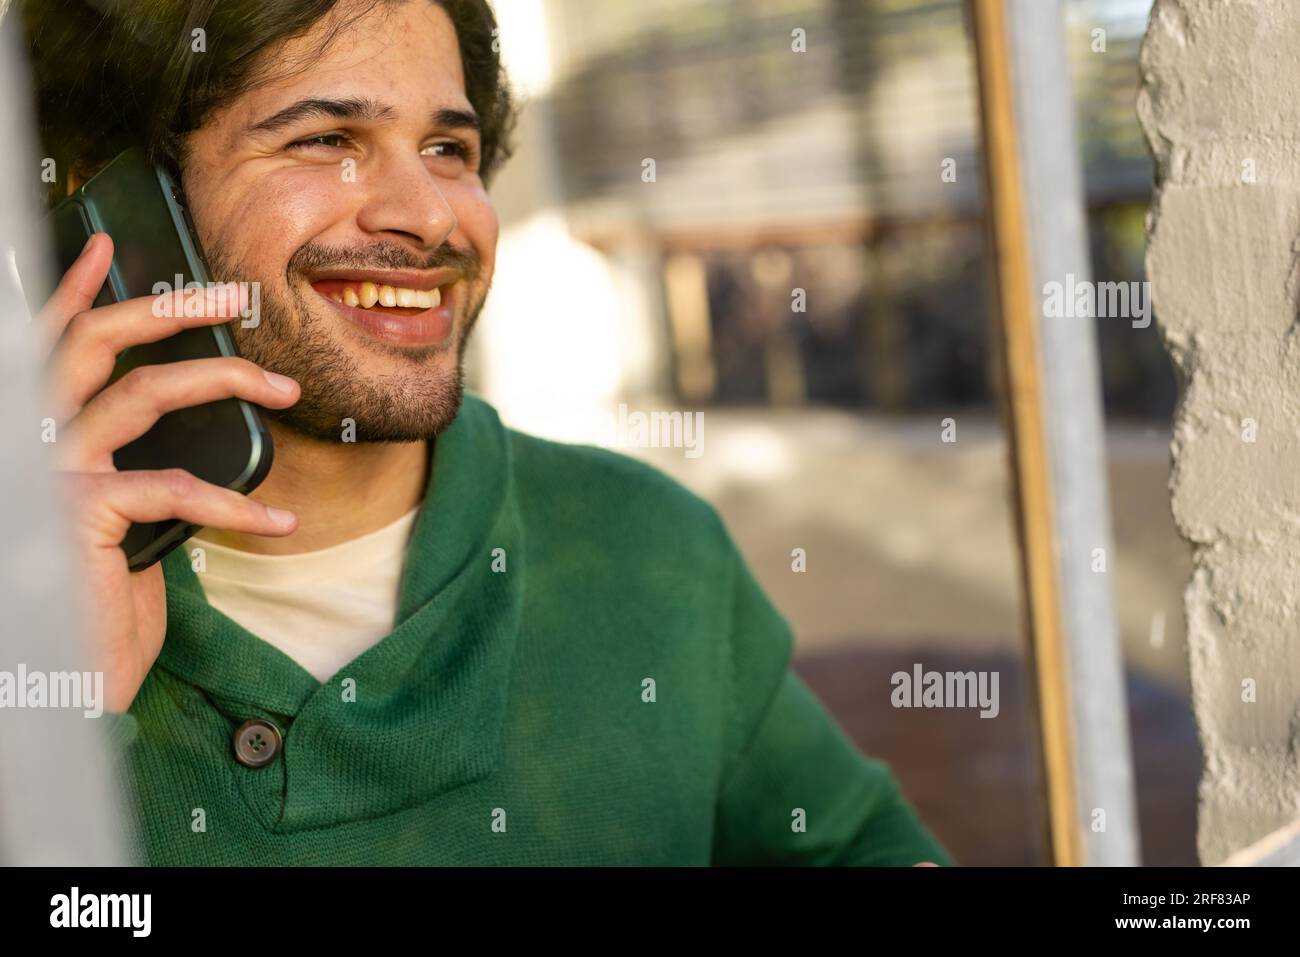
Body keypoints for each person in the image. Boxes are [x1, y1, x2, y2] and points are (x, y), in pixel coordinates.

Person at [22, 0, 950, 866]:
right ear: (123, 209)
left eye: (447, 149)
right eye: (326, 140)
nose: (429, 214)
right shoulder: (30, 607)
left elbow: (862, 844)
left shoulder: (648, 542)